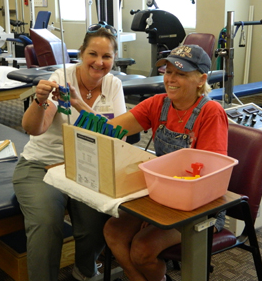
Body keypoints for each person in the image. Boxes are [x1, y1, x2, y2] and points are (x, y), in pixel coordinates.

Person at [103, 44, 229, 281]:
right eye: (168, 72)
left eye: (181, 74)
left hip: (201, 208)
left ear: (201, 79)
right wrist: (82, 116)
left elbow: (211, 178)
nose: (171, 79)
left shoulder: (211, 112)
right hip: (160, 195)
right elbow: (111, 130)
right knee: (113, 231)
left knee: (142, 249)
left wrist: (157, 214)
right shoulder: (158, 104)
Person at [12, 23, 127, 281]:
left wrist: (80, 103)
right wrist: (40, 101)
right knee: (46, 221)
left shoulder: (113, 86)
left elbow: (116, 135)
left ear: (114, 59)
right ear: (81, 53)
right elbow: (34, 128)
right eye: (93, 54)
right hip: (43, 165)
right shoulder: (61, 78)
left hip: (87, 167)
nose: (99, 62)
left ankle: (84, 272)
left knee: (98, 220)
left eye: (106, 56)